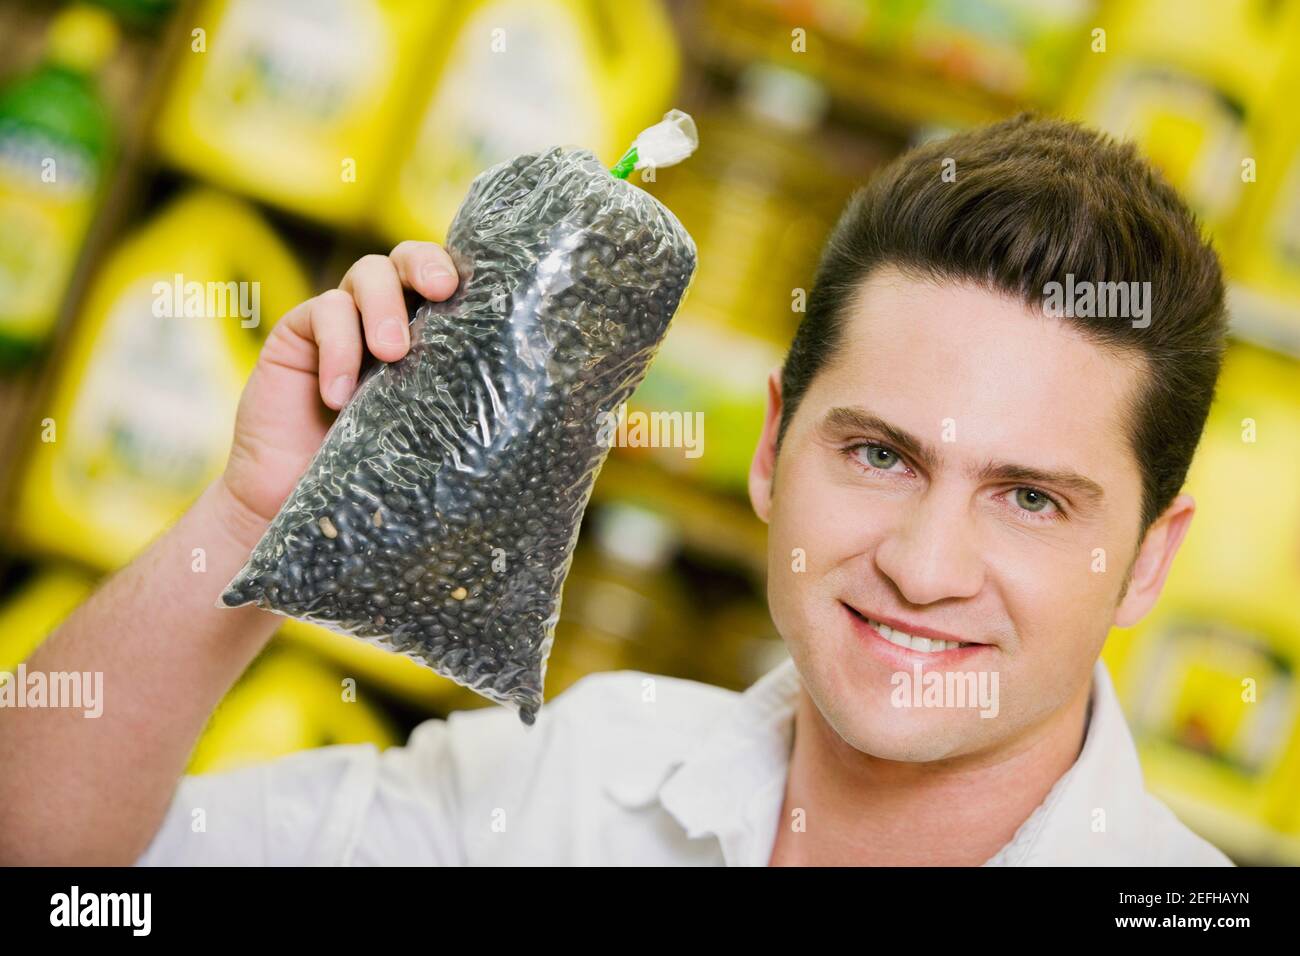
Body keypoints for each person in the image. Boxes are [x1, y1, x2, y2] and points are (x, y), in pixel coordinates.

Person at [0, 115, 1234, 866]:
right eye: (878, 454)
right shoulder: (567, 785)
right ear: (770, 451)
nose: (923, 562)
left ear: (1146, 562)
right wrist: (257, 513)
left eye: (1031, 498)